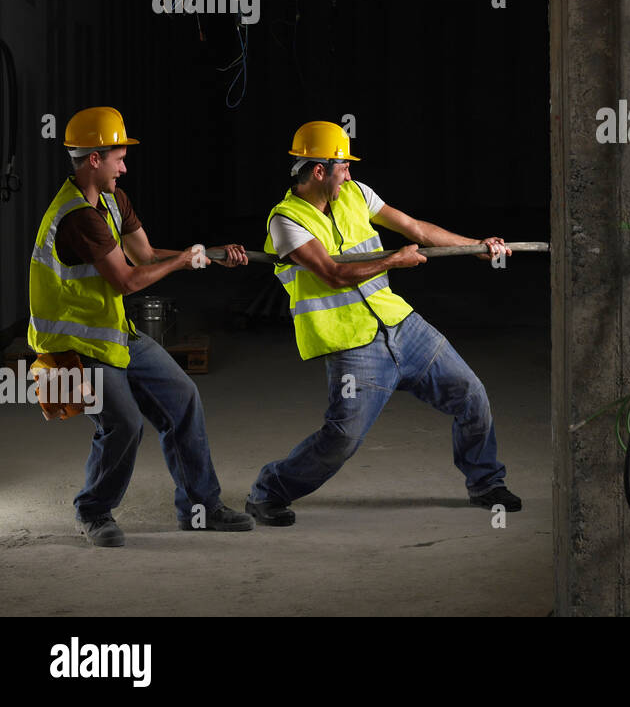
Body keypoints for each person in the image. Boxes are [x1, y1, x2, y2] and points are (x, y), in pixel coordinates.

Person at [245, 121, 520, 526]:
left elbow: (417, 229)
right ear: (318, 170)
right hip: (353, 346)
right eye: (343, 166)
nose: (350, 173)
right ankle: (268, 492)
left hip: (402, 325)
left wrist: (474, 247)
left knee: (472, 394)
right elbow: (333, 274)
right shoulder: (285, 222)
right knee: (342, 439)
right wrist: (394, 262)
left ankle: (485, 482)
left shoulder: (358, 193)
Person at [27, 106, 254, 546]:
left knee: (183, 398)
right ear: (94, 159)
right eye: (119, 156)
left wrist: (209, 253)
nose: (125, 165)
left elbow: (146, 256)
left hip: (112, 336)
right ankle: (93, 511)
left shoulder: (112, 199)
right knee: (124, 423)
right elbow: (128, 279)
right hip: (70, 348)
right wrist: (185, 260)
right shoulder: (77, 217)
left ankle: (199, 508)